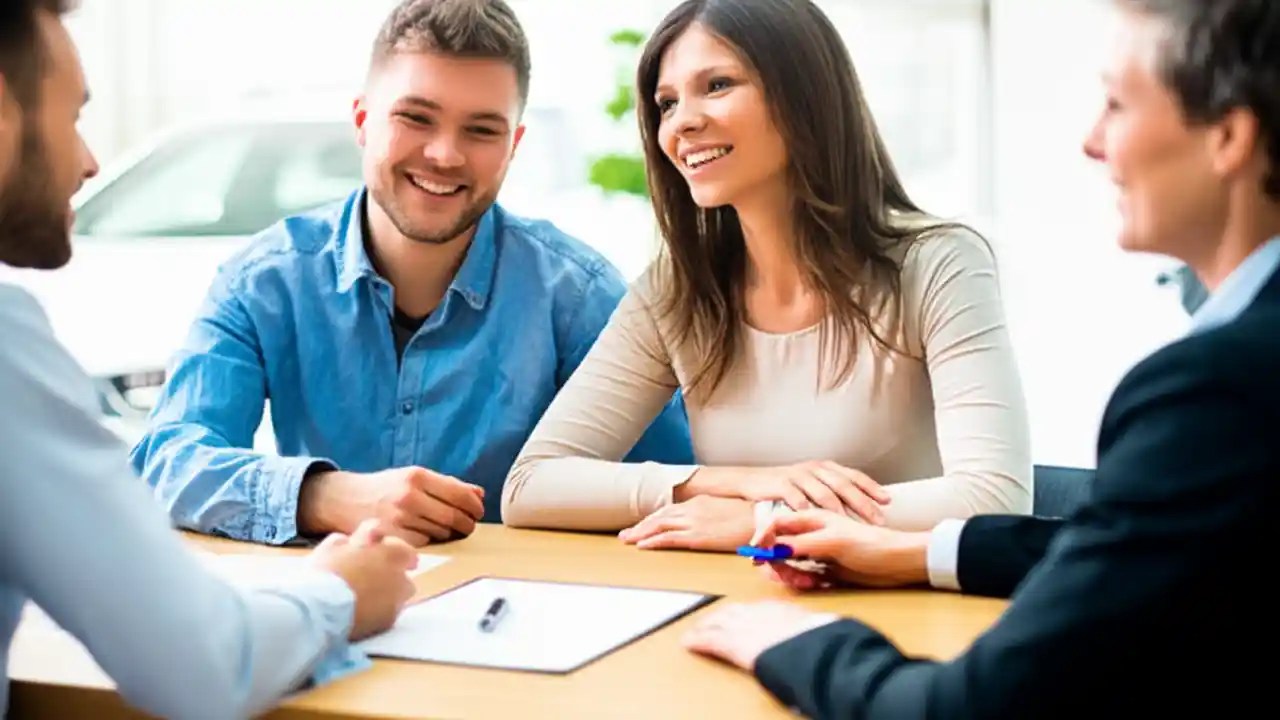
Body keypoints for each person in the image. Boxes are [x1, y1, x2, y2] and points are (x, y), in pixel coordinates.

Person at [681, 0, 1280, 716]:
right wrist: (920, 552)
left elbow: (963, 709)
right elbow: (1145, 552)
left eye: (1117, 105)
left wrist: (795, 643)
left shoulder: (1219, 390)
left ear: (1230, 137)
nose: (1092, 142)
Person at [129, 0, 694, 547]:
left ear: (513, 146)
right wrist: (323, 496)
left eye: (481, 130)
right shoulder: (263, 282)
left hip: (525, 616)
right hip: (334, 610)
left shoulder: (578, 296)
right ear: (362, 120)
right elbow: (165, 461)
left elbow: (671, 483)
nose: (444, 154)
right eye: (415, 118)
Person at [0, 2, 420, 718]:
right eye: (72, 117)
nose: (90, 161)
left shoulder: (571, 285)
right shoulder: (10, 349)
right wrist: (342, 590)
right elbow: (202, 662)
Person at [501, 0, 1032, 549]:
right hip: (738, 609)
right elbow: (531, 485)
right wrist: (725, 486)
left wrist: (764, 522)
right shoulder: (677, 291)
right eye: (666, 102)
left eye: (718, 85)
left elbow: (995, 498)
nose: (682, 121)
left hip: (895, 618)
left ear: (805, 95)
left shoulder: (939, 265)